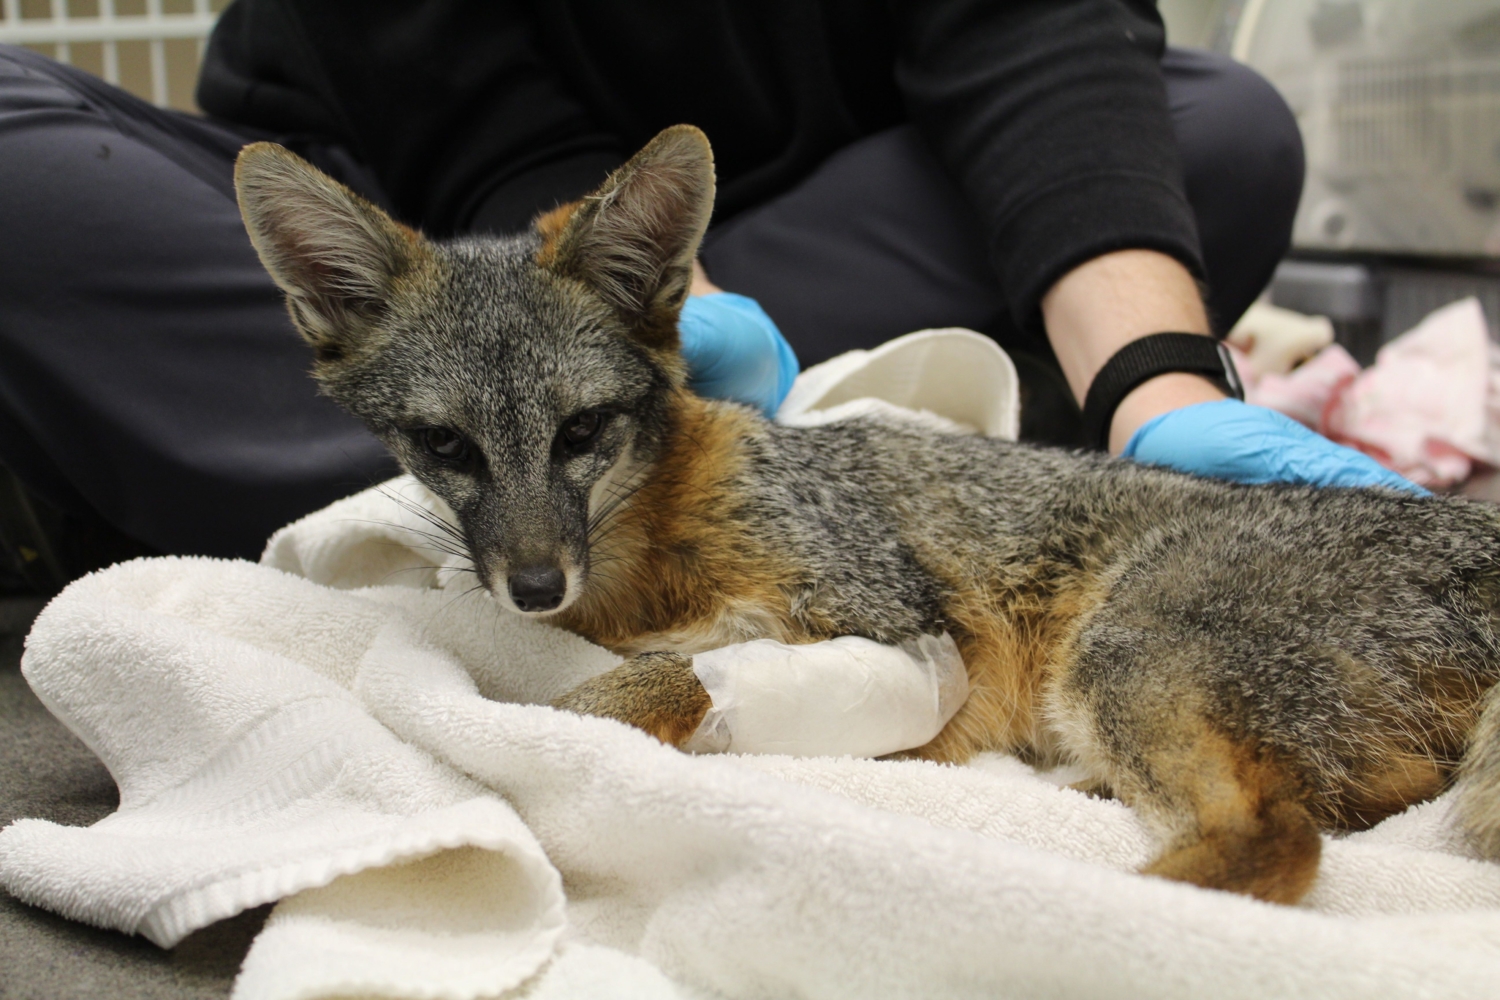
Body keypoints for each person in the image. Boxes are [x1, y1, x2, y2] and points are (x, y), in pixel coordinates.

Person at [0, 0, 1415, 592]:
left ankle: (256, 485)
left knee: (1219, 131)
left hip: (797, 226)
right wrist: (577, 326)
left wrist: (1160, 386)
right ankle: (623, 451)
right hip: (409, 247)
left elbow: (1035, 34)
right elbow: (448, 84)